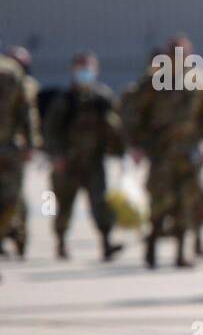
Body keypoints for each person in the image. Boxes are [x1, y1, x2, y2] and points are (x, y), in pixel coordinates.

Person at [125, 42, 203, 268]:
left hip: (189, 153)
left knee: (186, 204)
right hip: (161, 152)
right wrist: (136, 145)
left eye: (184, 54)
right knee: (159, 202)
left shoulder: (200, 80)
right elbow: (135, 113)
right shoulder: (154, 80)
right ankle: (151, 247)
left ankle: (180, 253)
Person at [43, 52, 125, 261]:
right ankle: (60, 242)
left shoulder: (102, 97)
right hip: (68, 162)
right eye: (82, 68)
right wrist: (56, 156)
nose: (86, 73)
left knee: (101, 203)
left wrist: (119, 150)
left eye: (90, 68)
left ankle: (106, 243)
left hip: (94, 161)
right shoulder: (65, 99)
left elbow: (115, 128)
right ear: (73, 70)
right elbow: (51, 130)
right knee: (63, 204)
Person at [0, 47, 40, 261]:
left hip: (8, 149)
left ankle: (14, 234)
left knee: (12, 201)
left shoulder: (11, 73)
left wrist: (31, 143)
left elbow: (25, 110)